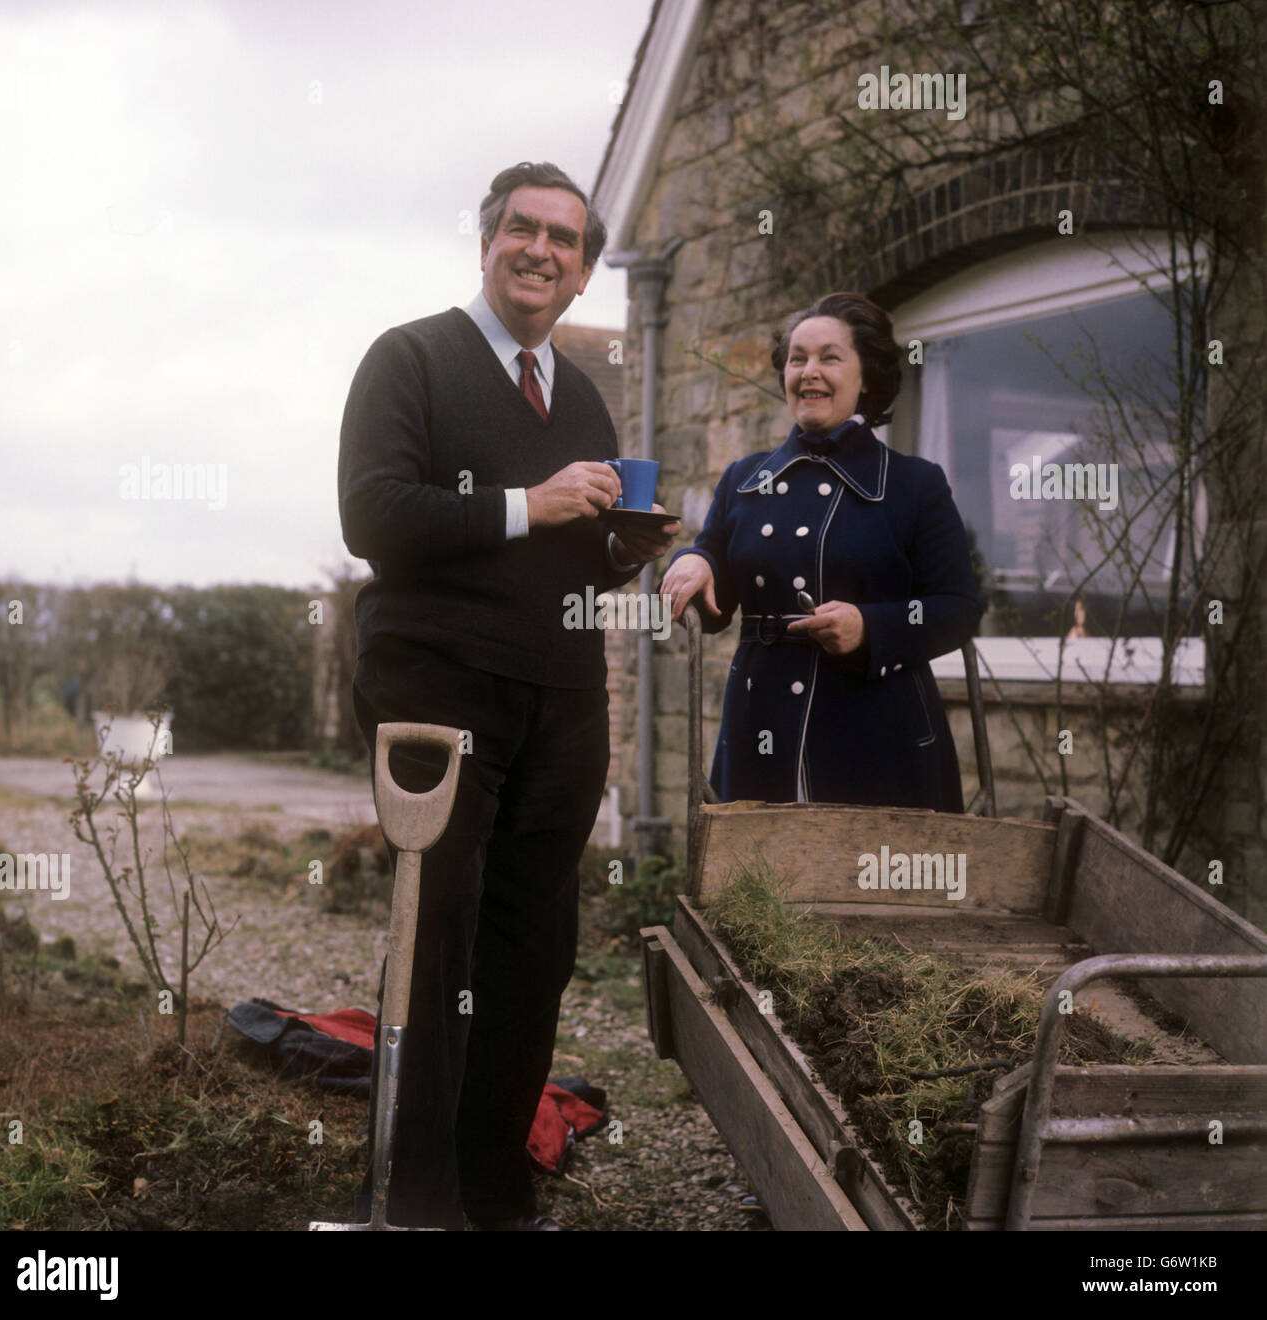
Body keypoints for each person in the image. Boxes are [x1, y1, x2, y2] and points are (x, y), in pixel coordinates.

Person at [337, 161, 679, 1230]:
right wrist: (530, 505)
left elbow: (567, 560)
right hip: (438, 685)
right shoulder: (411, 360)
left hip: (562, 697)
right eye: (521, 230)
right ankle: (416, 1193)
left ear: (581, 275)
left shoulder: (579, 395)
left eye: (562, 242)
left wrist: (625, 549)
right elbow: (375, 517)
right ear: (485, 243)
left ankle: (494, 1191)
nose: (539, 250)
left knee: (535, 946)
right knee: (441, 934)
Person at [660, 291, 982, 810]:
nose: (809, 371)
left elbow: (961, 608)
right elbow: (713, 598)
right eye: (797, 358)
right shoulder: (744, 479)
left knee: (869, 887)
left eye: (829, 357)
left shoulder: (915, 485)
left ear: (867, 377)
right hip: (759, 727)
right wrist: (692, 560)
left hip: (879, 735)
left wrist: (869, 629)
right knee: (755, 887)